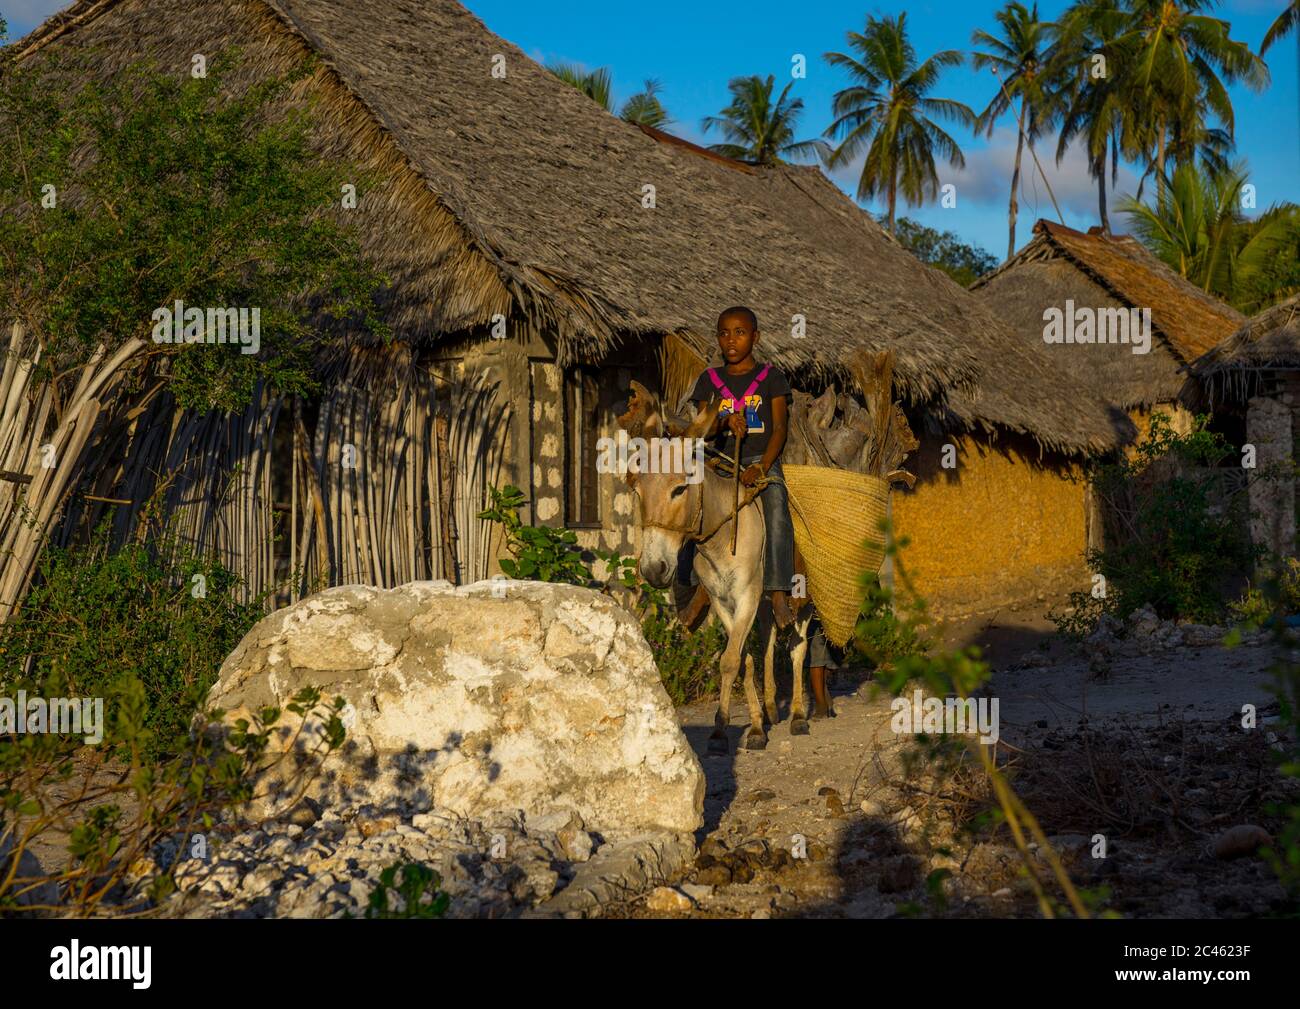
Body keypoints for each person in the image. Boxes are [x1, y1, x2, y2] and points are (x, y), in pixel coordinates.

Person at [678, 306, 796, 630]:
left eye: (740, 332)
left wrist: (764, 468)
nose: (731, 340)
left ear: (755, 337)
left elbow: (780, 429)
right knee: (688, 501)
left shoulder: (772, 378)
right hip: (719, 462)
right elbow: (704, 427)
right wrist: (724, 420)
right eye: (724, 333)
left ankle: (778, 590)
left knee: (776, 509)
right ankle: (691, 583)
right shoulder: (710, 380)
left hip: (760, 460)